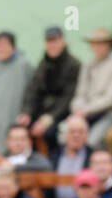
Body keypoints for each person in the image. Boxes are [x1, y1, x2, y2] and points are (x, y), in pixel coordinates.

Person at [19, 26, 81, 154]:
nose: (52, 45)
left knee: (50, 133)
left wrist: (49, 118)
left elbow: (68, 98)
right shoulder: (43, 63)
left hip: (62, 114)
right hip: (42, 112)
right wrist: (26, 112)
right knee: (21, 129)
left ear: (63, 42)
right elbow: (33, 90)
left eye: (55, 41)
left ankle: (53, 164)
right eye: (49, 41)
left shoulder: (73, 65)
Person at [68, 27, 112, 149]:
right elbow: (80, 92)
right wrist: (77, 108)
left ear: (109, 45)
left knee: (93, 142)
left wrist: (85, 110)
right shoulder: (88, 64)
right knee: (64, 137)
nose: (97, 46)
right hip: (86, 113)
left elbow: (111, 99)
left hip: (110, 114)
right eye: (95, 43)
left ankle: (102, 165)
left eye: (101, 43)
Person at [49, 114, 93, 198]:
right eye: (72, 131)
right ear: (64, 134)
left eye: (80, 132)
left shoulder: (92, 156)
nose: (76, 135)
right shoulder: (54, 155)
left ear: (87, 135)